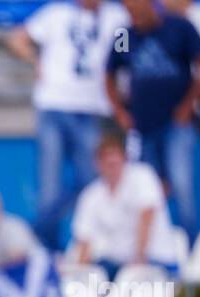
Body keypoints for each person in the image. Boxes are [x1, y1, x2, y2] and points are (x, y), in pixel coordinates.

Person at [7, 0, 129, 248]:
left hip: (93, 107)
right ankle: (47, 246)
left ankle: (84, 243)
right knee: (49, 186)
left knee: (90, 182)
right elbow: (16, 38)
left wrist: (120, 90)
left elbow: (123, 54)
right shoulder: (56, 14)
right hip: (55, 104)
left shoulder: (117, 17)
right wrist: (35, 61)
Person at [105, 0, 200, 239]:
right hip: (143, 126)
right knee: (148, 189)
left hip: (176, 123)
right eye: (130, 13)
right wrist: (120, 111)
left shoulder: (180, 27)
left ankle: (189, 243)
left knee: (180, 183)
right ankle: (152, 243)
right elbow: (109, 73)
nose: (135, 19)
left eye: (139, 13)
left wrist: (189, 103)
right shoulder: (126, 34)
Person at [70, 132, 178, 278]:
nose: (112, 165)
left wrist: (139, 259)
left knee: (128, 276)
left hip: (156, 260)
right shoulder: (91, 195)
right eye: (107, 161)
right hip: (118, 265)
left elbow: (147, 216)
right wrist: (79, 276)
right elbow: (84, 241)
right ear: (97, 163)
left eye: (115, 159)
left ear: (124, 159)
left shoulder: (143, 176)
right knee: (93, 277)